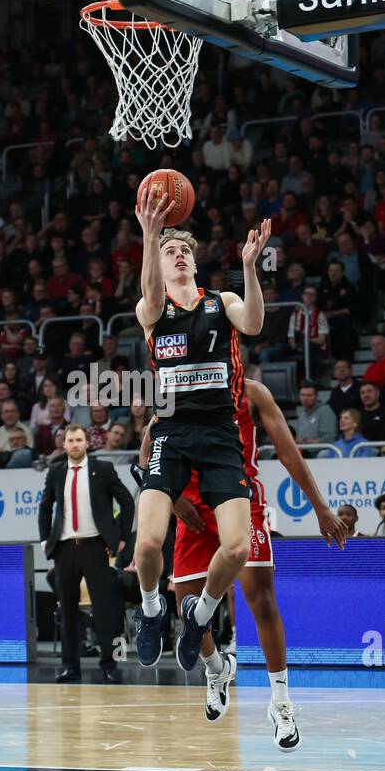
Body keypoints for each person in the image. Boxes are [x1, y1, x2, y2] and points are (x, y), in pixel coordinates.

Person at [142, 379, 345, 749]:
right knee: (187, 611)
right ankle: (217, 671)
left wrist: (320, 506)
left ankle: (281, 702)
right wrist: (172, 502)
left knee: (262, 601)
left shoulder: (252, 393)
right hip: (192, 509)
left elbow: (288, 452)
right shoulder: (175, 389)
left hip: (240, 501)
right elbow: (148, 454)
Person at [130, 185, 267, 681]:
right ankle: (150, 611)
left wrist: (249, 266)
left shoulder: (222, 300)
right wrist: (150, 235)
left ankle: (201, 615)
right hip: (171, 431)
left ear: (195, 262)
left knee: (236, 549)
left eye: (185, 249)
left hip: (218, 434)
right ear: (160, 266)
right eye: (171, 252)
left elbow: (252, 323)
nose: (180, 255)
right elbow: (147, 292)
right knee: (147, 545)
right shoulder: (152, 310)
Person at [38, 424, 134, 684]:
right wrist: (45, 538)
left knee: (106, 609)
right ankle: (71, 667)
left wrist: (122, 537)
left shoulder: (102, 469)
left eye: (80, 439)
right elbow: (45, 506)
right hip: (65, 547)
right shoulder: (56, 471)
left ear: (87, 443)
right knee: (67, 611)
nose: (75, 444)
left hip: (95, 546)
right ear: (65, 444)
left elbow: (127, 501)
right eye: (71, 440)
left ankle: (110, 665)